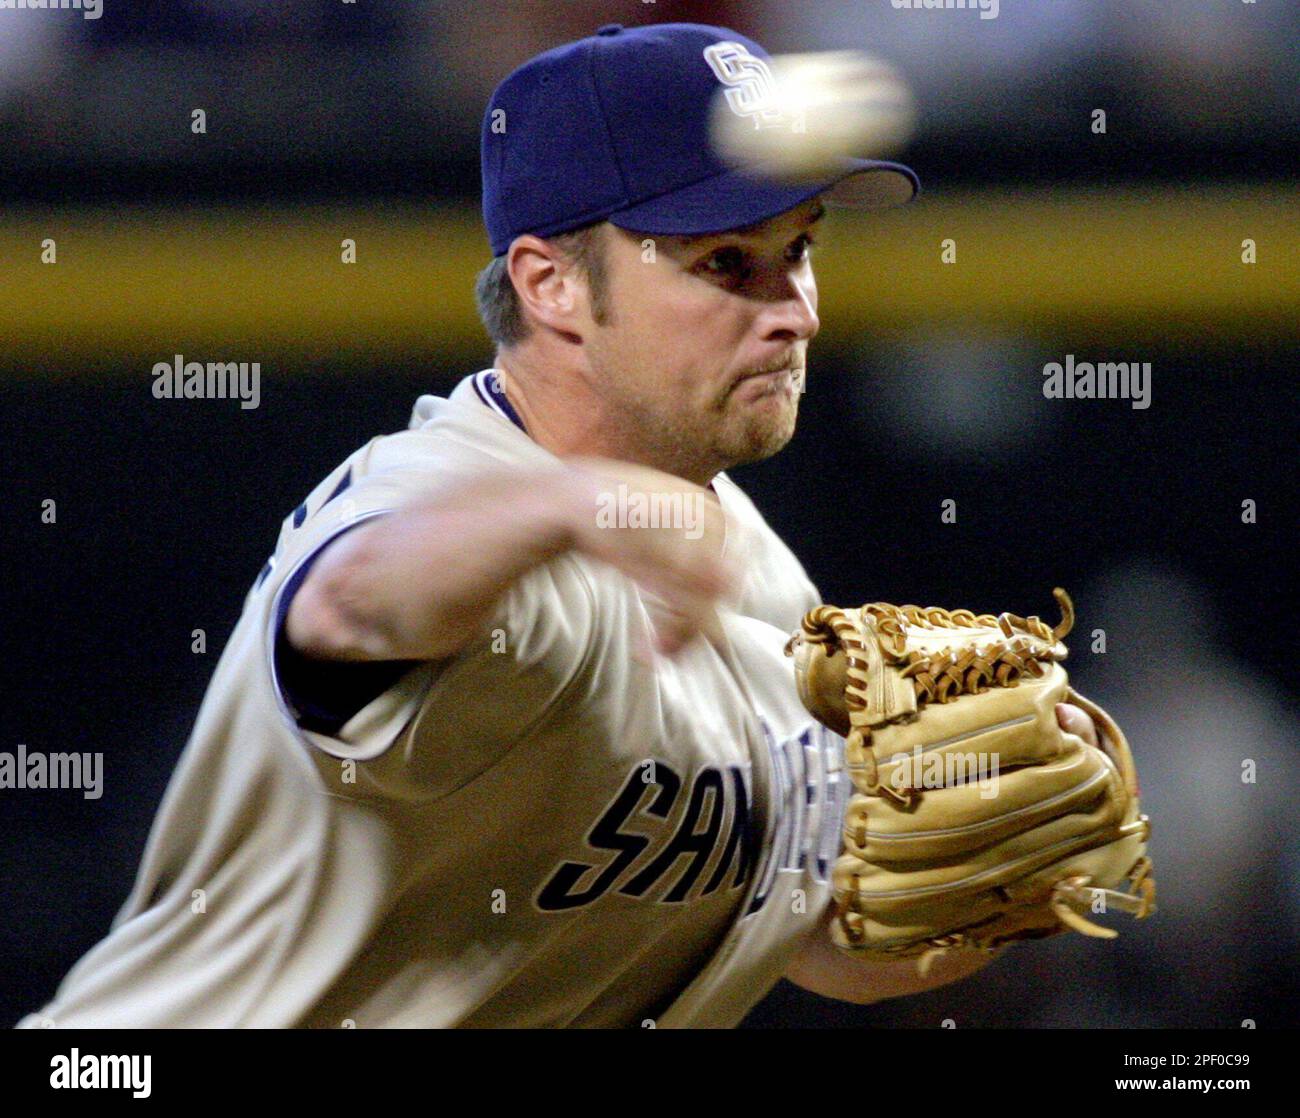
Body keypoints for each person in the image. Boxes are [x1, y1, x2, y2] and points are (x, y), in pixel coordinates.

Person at [19, 21, 1100, 1029]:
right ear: (551, 286)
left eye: (799, 249)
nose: (796, 310)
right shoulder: (447, 495)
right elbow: (349, 607)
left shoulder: (761, 579)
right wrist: (572, 506)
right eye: (726, 262)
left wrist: (1016, 881)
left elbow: (816, 943)